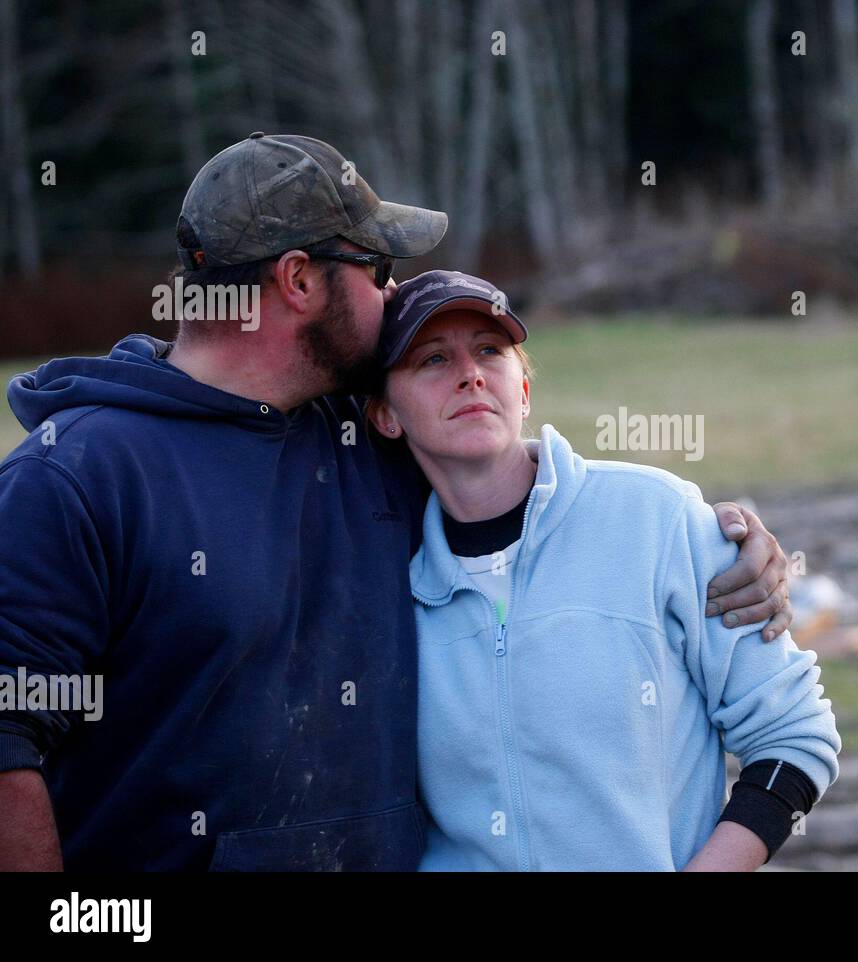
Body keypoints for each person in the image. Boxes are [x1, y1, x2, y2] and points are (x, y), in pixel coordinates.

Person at [0, 134, 794, 871]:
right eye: (378, 271)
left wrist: (726, 536)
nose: (394, 293)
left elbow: (523, 483)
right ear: (300, 280)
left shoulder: (364, 440)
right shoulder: (73, 477)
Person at [366, 271, 841, 871]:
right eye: (432, 359)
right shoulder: (383, 576)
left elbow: (794, 737)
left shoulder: (657, 520)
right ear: (385, 415)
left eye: (491, 349)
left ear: (525, 390)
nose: (471, 373)